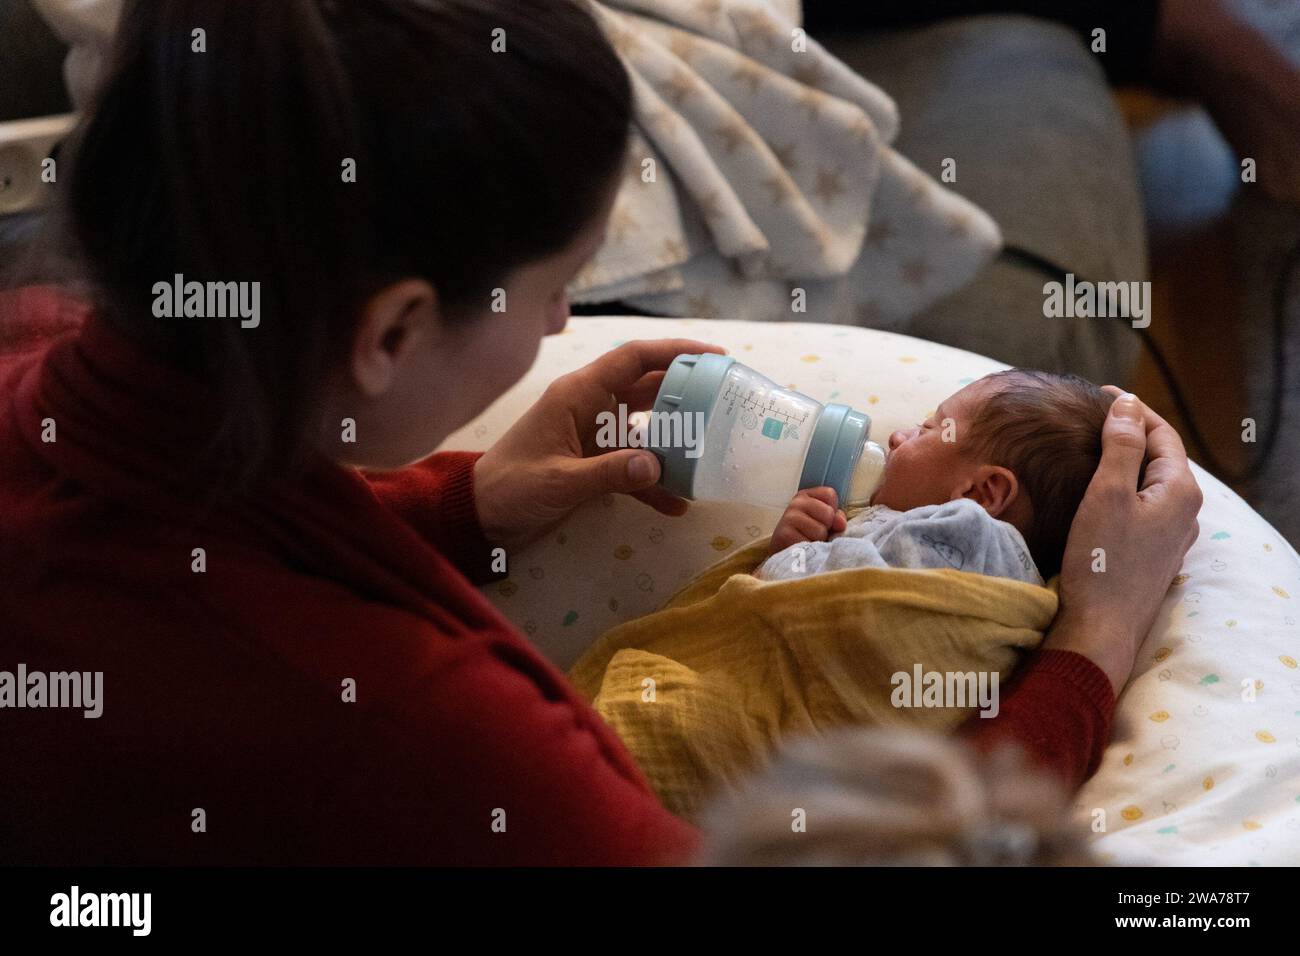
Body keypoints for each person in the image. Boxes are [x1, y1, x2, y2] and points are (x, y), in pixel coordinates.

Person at [0, 0, 1201, 864]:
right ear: (393, 330)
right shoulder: (433, 738)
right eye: (556, 286)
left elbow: (186, 524)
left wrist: (465, 504)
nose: (566, 324)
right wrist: (1093, 639)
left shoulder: (39, 344)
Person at [760, 369, 1133, 584]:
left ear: (981, 495)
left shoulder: (962, 536)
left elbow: (821, 597)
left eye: (927, 429)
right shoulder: (965, 558)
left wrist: (792, 556)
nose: (896, 436)